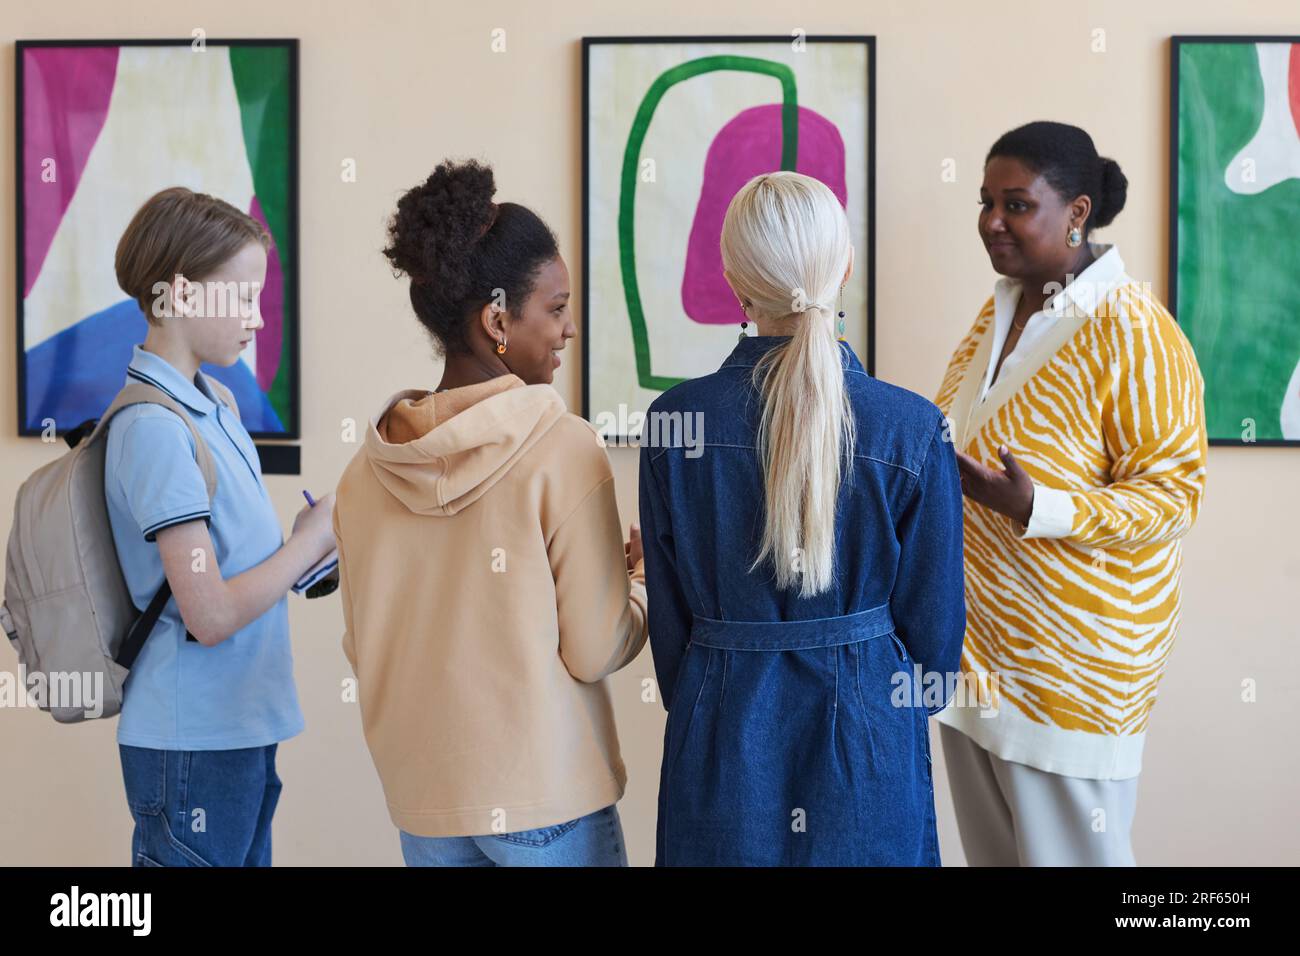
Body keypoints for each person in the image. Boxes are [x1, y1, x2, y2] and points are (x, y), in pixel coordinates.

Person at [639, 171, 967, 866]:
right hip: (869, 752)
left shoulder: (674, 424)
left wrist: (713, 694)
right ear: (844, 268)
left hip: (721, 740)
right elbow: (935, 658)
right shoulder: (913, 429)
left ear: (734, 282)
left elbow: (672, 640)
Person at [333, 159, 648, 867]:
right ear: (498, 319)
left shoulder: (365, 474)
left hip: (427, 806)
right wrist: (639, 586)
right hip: (546, 799)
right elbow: (596, 646)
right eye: (557, 308)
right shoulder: (562, 448)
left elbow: (367, 645)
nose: (568, 330)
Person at [934, 121, 1209, 866]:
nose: (993, 221)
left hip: (1073, 676)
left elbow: (1174, 496)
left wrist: (1037, 507)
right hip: (975, 663)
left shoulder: (1137, 331)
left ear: (1078, 212)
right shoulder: (994, 317)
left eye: (1017, 204)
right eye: (985, 201)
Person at [106, 187, 336, 866]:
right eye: (240, 298)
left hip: (235, 731)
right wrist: (307, 544)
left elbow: (233, 565)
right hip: (193, 743)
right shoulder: (153, 429)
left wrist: (304, 546)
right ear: (178, 297)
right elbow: (207, 614)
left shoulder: (217, 404)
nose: (257, 320)